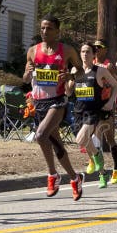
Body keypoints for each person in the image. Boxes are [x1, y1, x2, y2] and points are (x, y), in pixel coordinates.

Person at [24, 15, 84, 199]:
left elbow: (81, 72)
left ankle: (52, 174)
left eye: (49, 28)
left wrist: (71, 77)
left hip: (58, 101)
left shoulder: (66, 50)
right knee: (57, 145)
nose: (44, 32)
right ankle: (74, 178)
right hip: (39, 102)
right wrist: (27, 73)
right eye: (42, 28)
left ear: (57, 31)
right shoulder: (33, 51)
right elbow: (25, 79)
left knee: (41, 135)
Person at [70, 42, 117, 192]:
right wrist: (69, 80)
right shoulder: (75, 70)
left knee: (81, 139)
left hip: (94, 111)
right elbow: (68, 92)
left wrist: (111, 102)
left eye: (88, 52)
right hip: (78, 112)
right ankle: (103, 174)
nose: (85, 54)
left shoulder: (100, 71)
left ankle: (98, 158)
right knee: (85, 141)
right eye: (82, 51)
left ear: (93, 55)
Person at [90, 39, 117, 185]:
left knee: (109, 139)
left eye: (99, 47)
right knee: (91, 136)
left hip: (106, 105)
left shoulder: (108, 65)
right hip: (93, 105)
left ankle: (116, 168)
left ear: (105, 49)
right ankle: (96, 164)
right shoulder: (90, 63)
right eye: (94, 47)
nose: (96, 49)